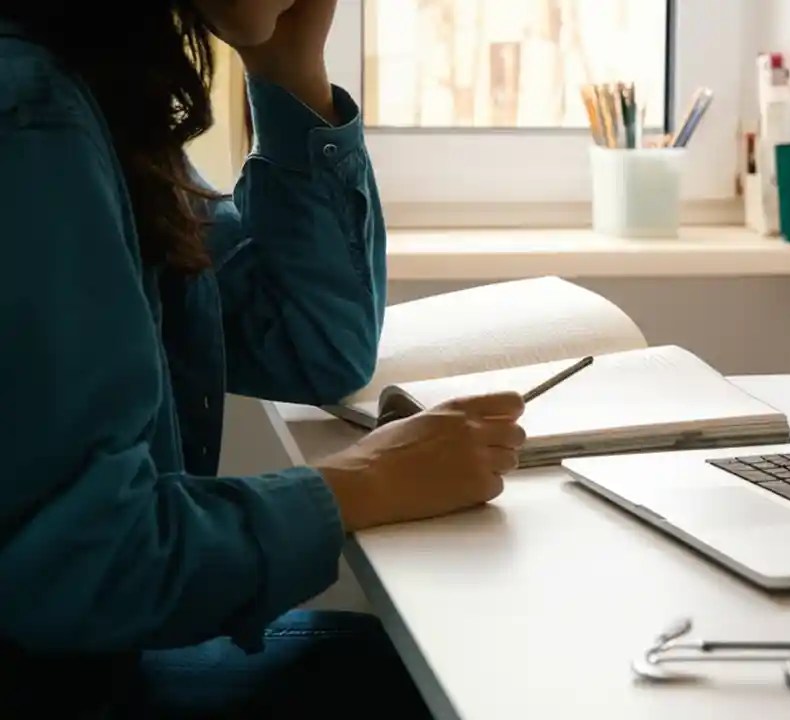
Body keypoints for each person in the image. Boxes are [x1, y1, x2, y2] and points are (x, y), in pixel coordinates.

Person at [0, 1, 525, 716]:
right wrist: (363, 484)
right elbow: (87, 564)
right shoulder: (28, 116)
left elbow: (313, 344)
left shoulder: (93, 78)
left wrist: (291, 71)